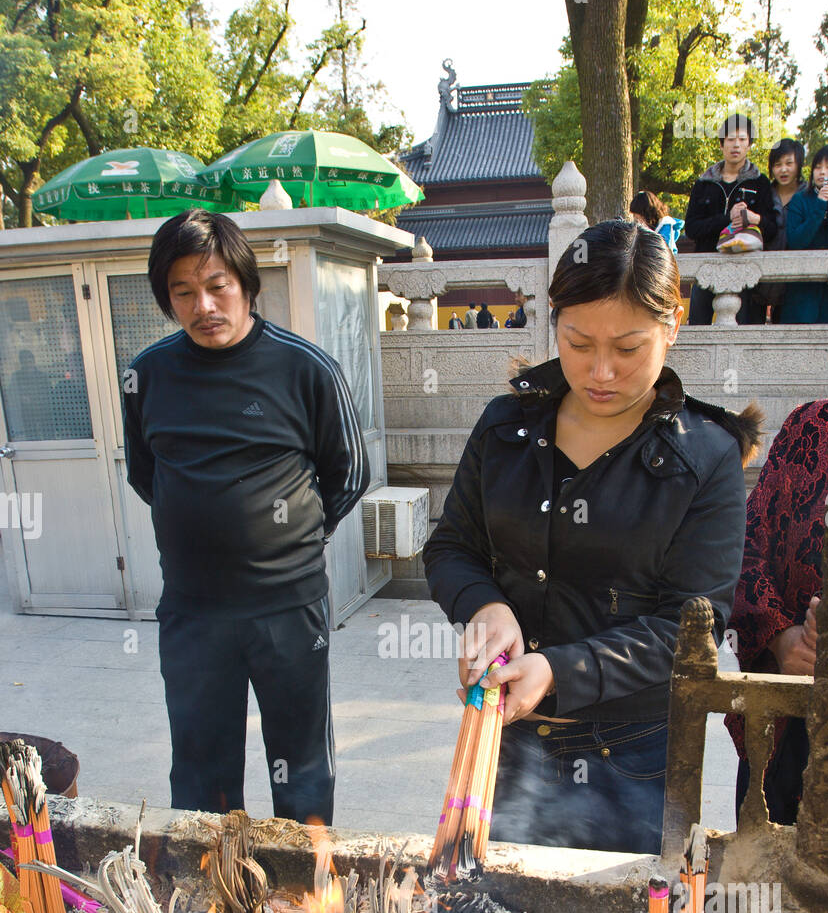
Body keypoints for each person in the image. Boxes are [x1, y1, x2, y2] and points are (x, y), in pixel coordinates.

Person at [423, 221, 759, 855]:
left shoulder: (706, 457)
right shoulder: (506, 428)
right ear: (556, 325)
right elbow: (451, 547)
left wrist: (557, 669)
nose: (601, 371)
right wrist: (484, 606)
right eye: (578, 343)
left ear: (673, 327)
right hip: (509, 735)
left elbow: (689, 626)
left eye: (628, 348)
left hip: (630, 756)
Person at [123, 209, 369, 825]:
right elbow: (145, 473)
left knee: (301, 763)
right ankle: (212, 897)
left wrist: (285, 541)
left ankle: (309, 894)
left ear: (246, 284)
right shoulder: (148, 375)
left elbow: (349, 474)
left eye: (217, 286)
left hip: (287, 609)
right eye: (183, 292)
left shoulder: (305, 368)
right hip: (193, 612)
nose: (203, 305)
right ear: (167, 299)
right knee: (200, 769)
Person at [726, 399, 828, 823]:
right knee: (764, 872)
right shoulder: (818, 426)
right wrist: (781, 636)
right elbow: (746, 544)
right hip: (791, 711)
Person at [684, 114, 778, 324]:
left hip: (745, 269)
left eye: (742, 139)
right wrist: (727, 219)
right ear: (721, 144)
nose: (736, 145)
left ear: (750, 144)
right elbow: (691, 228)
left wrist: (755, 219)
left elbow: (772, 229)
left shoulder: (759, 183)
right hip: (706, 266)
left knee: (745, 329)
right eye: (730, 139)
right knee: (699, 326)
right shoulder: (704, 184)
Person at [783, 145, 828, 324]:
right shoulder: (800, 200)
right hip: (801, 290)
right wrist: (819, 206)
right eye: (818, 167)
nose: (822, 172)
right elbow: (795, 242)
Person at [756, 138, 806, 323]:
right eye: (778, 165)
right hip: (761, 277)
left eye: (789, 163)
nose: (783, 170)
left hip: (794, 280)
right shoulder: (764, 193)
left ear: (799, 164)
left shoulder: (808, 194)